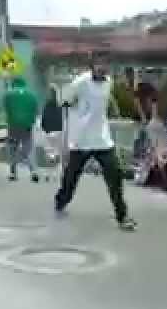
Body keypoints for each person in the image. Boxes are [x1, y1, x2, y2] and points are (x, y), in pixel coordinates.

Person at [53, 53, 137, 231]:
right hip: (81, 139)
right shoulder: (80, 82)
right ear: (92, 65)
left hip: (102, 139)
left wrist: (115, 110)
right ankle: (61, 200)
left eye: (105, 64)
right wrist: (70, 103)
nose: (102, 67)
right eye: (99, 64)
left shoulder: (109, 82)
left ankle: (122, 215)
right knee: (70, 178)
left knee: (115, 174)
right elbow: (62, 100)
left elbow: (106, 101)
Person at [3, 75, 40, 182]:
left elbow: (6, 108)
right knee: (29, 149)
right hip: (27, 126)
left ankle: (13, 173)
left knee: (12, 149)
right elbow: (36, 110)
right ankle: (33, 171)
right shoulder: (32, 95)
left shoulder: (8, 95)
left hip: (13, 126)